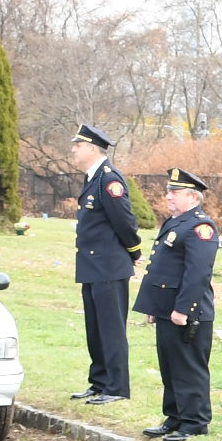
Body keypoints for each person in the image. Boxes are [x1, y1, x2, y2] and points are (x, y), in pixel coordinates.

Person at [134, 169, 221, 441]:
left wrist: (183, 309)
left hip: (188, 312)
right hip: (167, 309)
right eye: (168, 192)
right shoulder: (176, 223)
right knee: (170, 367)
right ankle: (174, 417)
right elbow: (163, 269)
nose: (168, 197)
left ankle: (194, 422)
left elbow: (197, 273)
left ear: (193, 197)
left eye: (175, 192)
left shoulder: (200, 228)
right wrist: (154, 306)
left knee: (188, 368)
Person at [68, 125, 141, 404]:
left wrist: (134, 250)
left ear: (91, 148)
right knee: (95, 328)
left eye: (77, 145)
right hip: (92, 266)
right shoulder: (93, 178)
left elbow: (124, 220)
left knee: (111, 329)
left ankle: (117, 387)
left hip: (109, 266)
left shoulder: (109, 180)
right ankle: (99, 381)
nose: (73, 150)